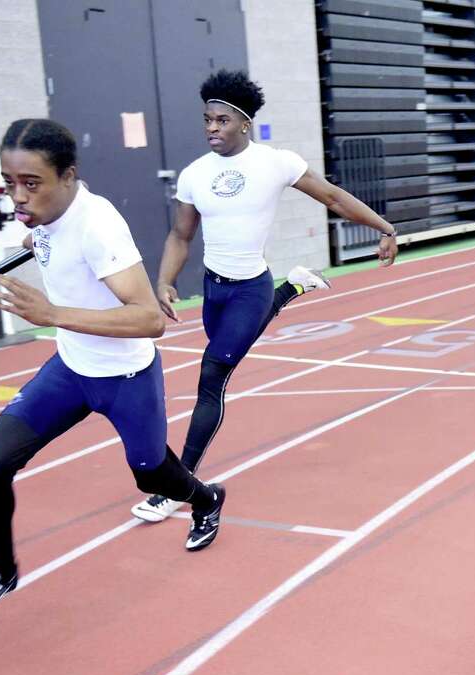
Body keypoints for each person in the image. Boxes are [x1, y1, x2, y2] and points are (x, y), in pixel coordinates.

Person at [0, 119, 225, 629]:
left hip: (126, 379)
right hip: (71, 370)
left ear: (69, 176)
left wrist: (50, 314)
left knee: (151, 474)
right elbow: (54, 245)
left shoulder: (99, 225)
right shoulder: (47, 216)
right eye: (10, 183)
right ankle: (2, 572)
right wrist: (16, 259)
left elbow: (147, 319)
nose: (19, 196)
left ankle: (207, 499)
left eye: (31, 184)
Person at [131, 69, 398, 523]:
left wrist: (385, 227)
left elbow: (332, 197)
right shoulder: (196, 174)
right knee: (224, 354)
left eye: (221, 120)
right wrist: (164, 280)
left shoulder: (276, 163)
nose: (212, 128)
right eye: (207, 120)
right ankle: (293, 286)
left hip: (250, 289)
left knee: (212, 377)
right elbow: (180, 235)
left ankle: (178, 485)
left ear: (244, 123)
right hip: (214, 290)